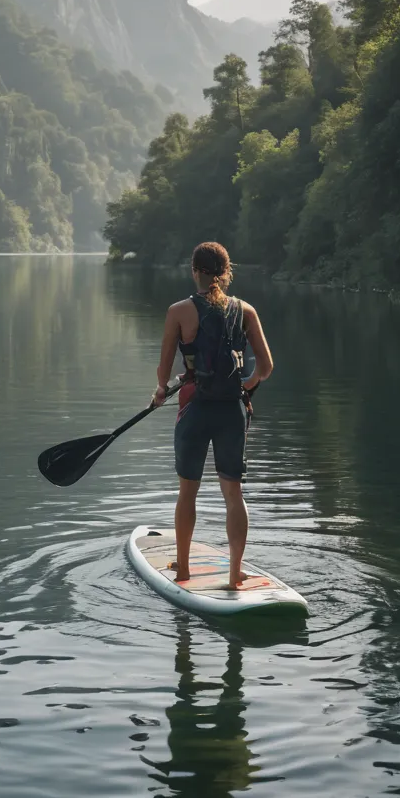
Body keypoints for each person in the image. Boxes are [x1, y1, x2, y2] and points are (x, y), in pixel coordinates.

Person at [151, 242, 274, 590]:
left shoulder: (178, 311)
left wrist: (162, 390)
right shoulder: (246, 310)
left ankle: (184, 570)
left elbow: (163, 371)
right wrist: (246, 389)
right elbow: (265, 368)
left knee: (187, 492)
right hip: (232, 411)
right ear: (225, 272)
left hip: (194, 409)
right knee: (233, 494)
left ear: (195, 271)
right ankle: (235, 574)